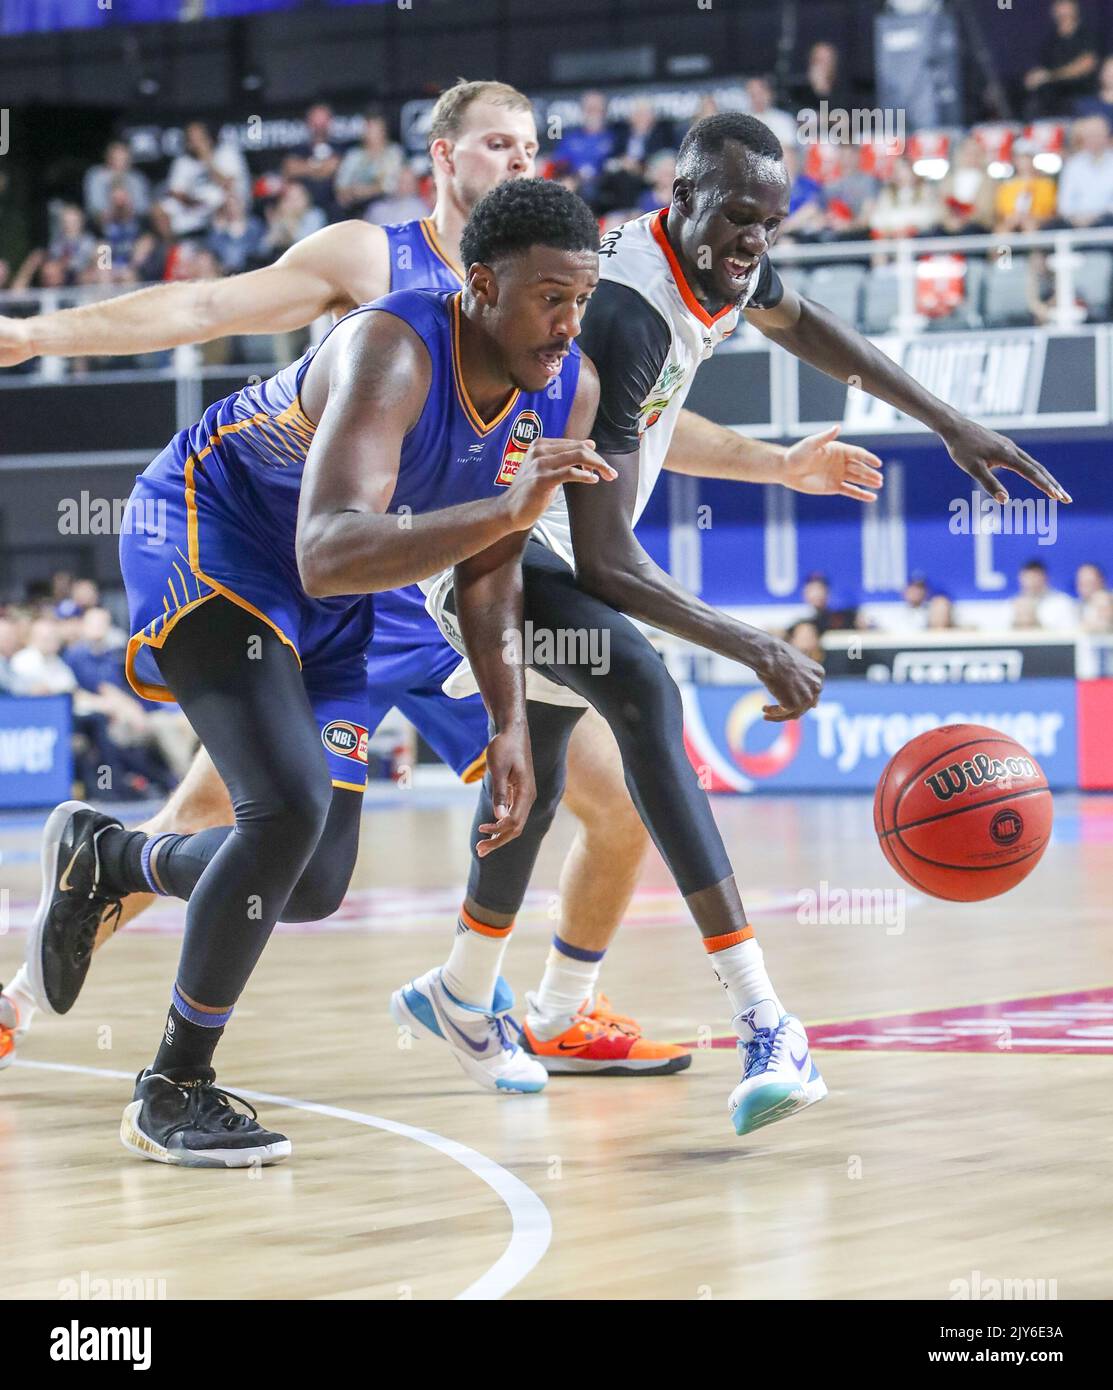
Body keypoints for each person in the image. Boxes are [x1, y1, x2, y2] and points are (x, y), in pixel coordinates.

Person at [2, 82, 879, 1079]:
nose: (520, 157)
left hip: (450, 583)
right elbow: (206, 306)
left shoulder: (561, 296)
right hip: (321, 566)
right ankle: (20, 993)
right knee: (238, 820)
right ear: (443, 155)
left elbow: (627, 431)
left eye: (532, 142)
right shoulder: (373, 262)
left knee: (615, 795)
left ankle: (556, 1007)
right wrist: (40, 335)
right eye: (497, 142)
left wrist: (774, 464)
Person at [392, 114, 1067, 1133]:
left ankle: (463, 987)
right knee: (644, 686)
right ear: (681, 197)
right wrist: (752, 641)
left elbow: (805, 323)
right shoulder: (625, 313)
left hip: (550, 545)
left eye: (771, 223)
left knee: (543, 773)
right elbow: (613, 559)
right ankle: (767, 1020)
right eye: (738, 218)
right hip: (487, 539)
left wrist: (947, 418)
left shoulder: (724, 259)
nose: (754, 241)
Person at [25, 179, 613, 1167]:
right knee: (285, 810)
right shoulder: (392, 349)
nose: (568, 322)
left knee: (310, 882)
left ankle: (110, 861)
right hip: (218, 532)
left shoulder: (567, 384)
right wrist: (508, 508)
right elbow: (326, 549)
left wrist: (508, 721)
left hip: (349, 586)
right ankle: (172, 1085)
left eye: (582, 300)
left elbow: (486, 567)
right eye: (550, 296)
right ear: (478, 285)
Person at [1023, 0, 1099, 118]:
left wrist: (1048, 76)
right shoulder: (1050, 43)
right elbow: (1040, 71)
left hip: (1085, 99)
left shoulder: (1088, 34)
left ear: (1074, 8)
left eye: (1065, 5)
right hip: (1055, 103)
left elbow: (1084, 66)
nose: (1062, 10)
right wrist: (1033, 78)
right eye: (1058, 5)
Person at [1056, 114, 1113, 227]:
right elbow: (1064, 204)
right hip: (1077, 221)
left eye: (1097, 135)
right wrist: (1076, 218)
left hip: (1107, 219)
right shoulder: (1073, 165)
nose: (1093, 140)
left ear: (1107, 136)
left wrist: (1096, 216)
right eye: (1089, 136)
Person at [1016, 558, 1078, 630]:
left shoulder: (1062, 603)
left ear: (1045, 578)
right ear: (1020, 578)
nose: (1032, 582)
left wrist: (1036, 623)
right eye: (1028, 577)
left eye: (1035, 577)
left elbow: (1070, 632)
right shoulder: (1010, 606)